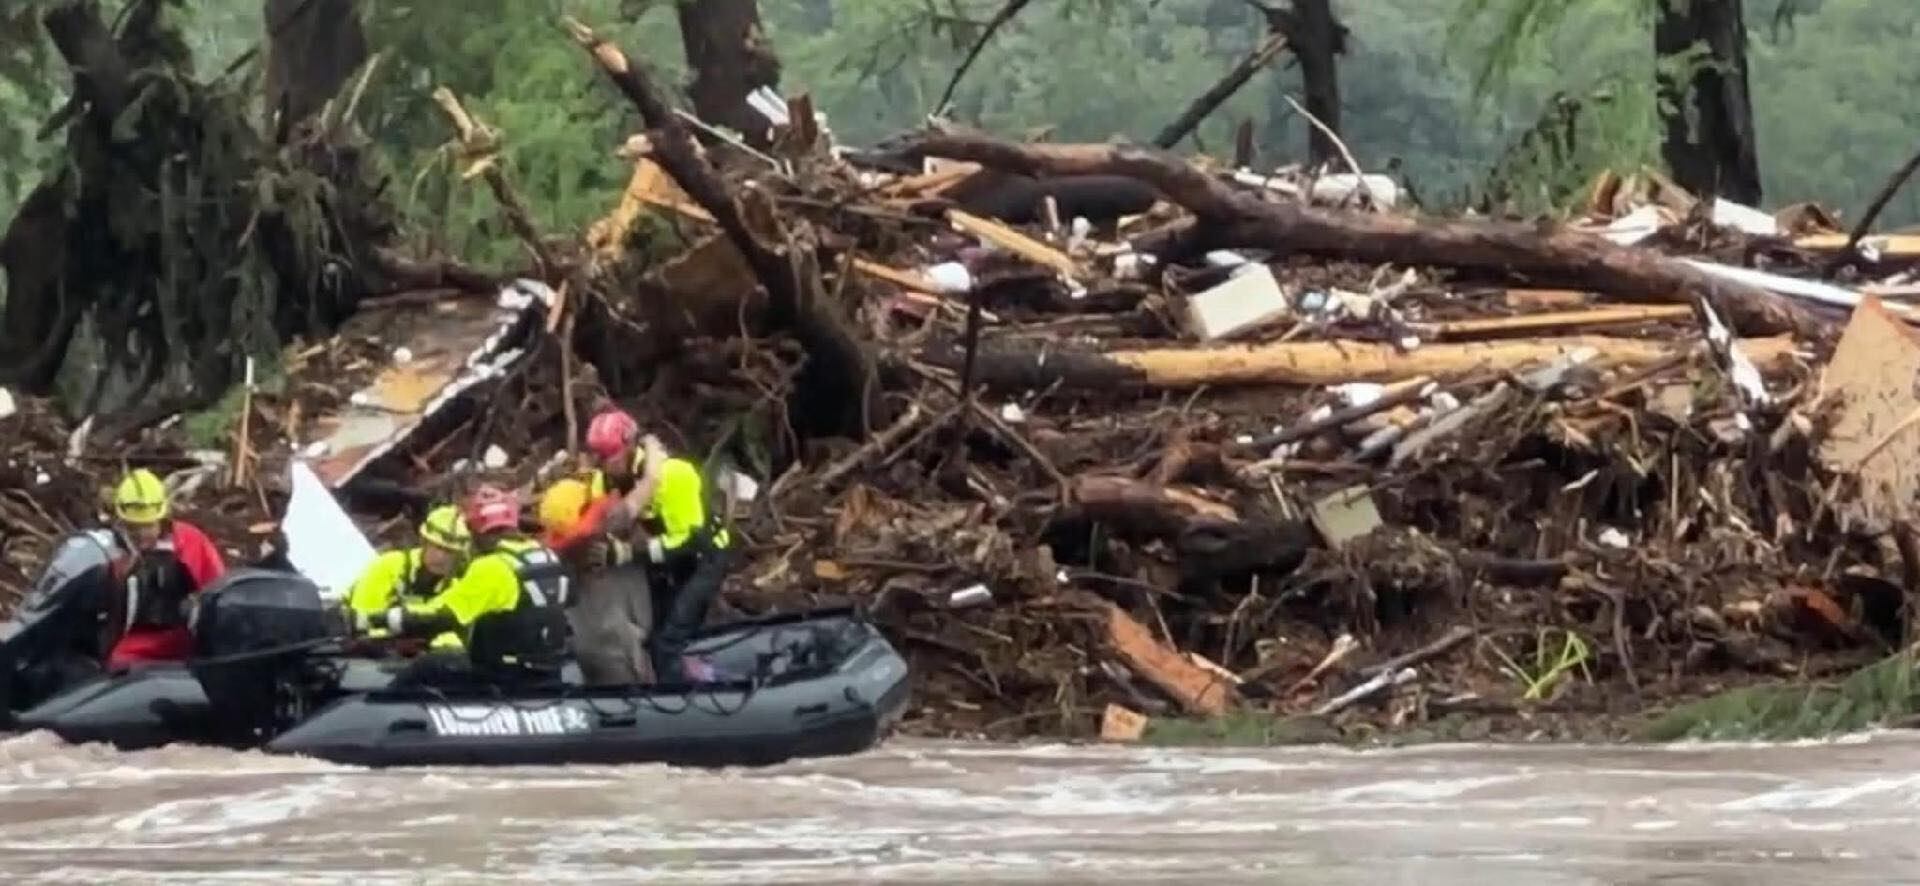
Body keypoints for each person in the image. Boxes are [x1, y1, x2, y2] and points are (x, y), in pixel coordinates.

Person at [357, 485, 570, 690]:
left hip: (503, 675)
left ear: (477, 532)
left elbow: (443, 616)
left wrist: (380, 619)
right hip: (548, 671)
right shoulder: (545, 555)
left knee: (430, 667)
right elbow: (570, 599)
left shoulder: (492, 567)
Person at [582, 408, 734, 682]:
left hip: (702, 555)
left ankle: (698, 692)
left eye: (610, 457)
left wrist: (629, 553)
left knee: (668, 641)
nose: (605, 466)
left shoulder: (673, 475)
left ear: (629, 447)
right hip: (663, 558)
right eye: (599, 458)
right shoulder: (604, 479)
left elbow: (688, 539)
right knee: (653, 635)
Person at [105, 468, 226, 670]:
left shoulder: (190, 542)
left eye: (147, 526)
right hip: (125, 649)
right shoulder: (109, 550)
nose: (141, 534)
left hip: (182, 647)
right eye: (133, 527)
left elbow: (221, 591)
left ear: (161, 519)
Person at [538, 478, 652, 685]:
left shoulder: (560, 555)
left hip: (587, 649)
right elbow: (647, 487)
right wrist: (653, 451)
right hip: (623, 650)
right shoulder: (605, 529)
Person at [345, 505, 470, 652]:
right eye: (437, 547)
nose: (441, 558)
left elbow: (449, 633)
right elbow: (362, 616)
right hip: (361, 651)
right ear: (423, 542)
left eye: (450, 552)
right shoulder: (389, 566)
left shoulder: (454, 586)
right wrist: (397, 642)